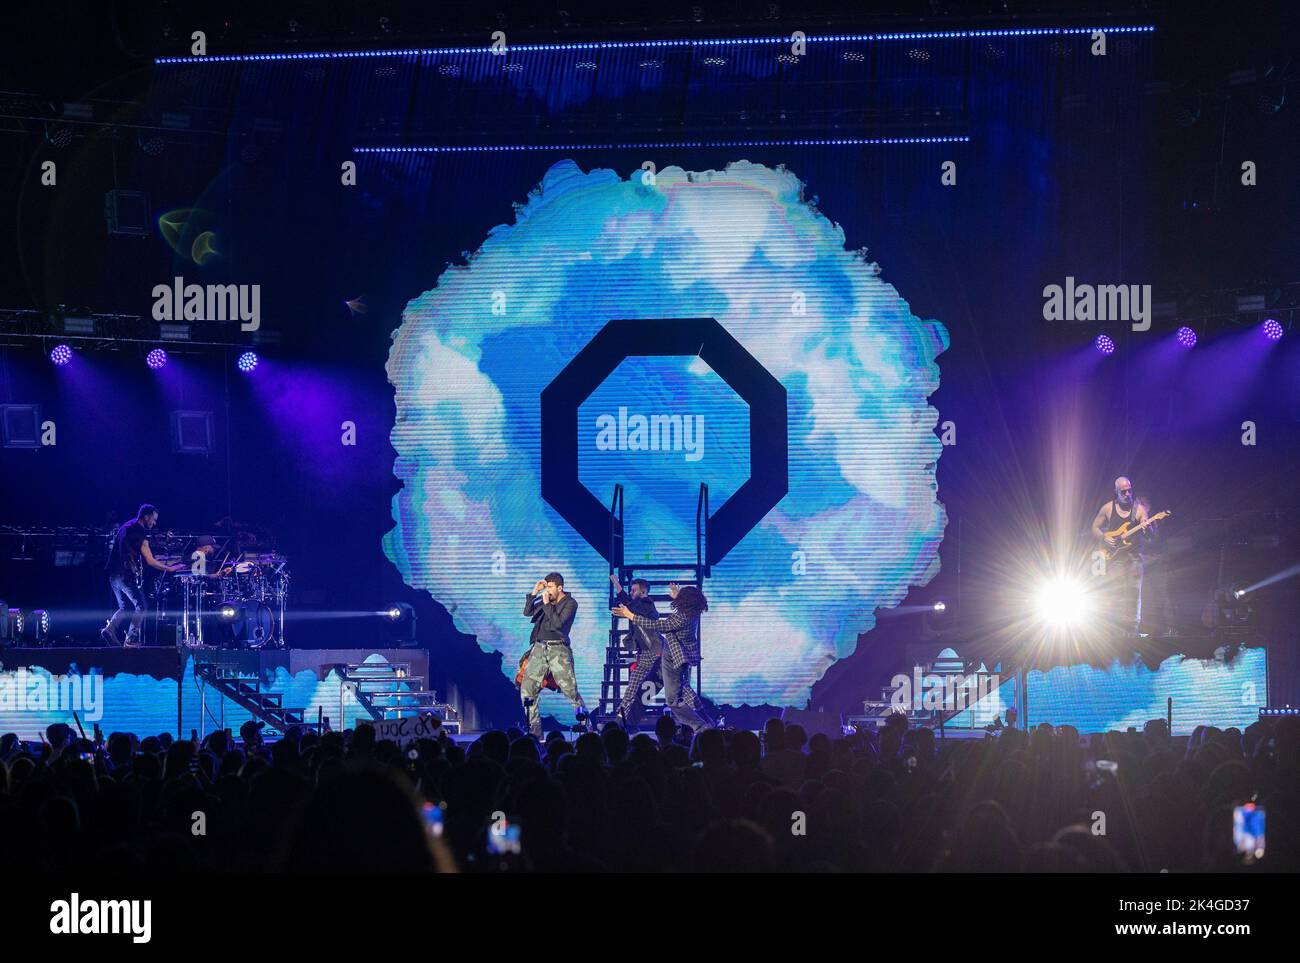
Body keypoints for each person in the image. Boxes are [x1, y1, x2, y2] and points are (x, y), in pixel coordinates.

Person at [614, 582, 713, 733]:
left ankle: (703, 725)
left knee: (676, 697)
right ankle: (624, 722)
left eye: (634, 590)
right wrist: (677, 595)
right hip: (662, 655)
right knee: (643, 690)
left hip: (668, 657)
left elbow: (659, 625)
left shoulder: (675, 614)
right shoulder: (691, 611)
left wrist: (630, 613)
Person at [102, 504, 185, 646]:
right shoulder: (140, 534)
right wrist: (170, 568)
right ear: (146, 517)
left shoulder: (125, 527)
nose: (154, 523)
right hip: (125, 575)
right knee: (141, 606)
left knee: (125, 607)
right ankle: (131, 639)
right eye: (153, 519)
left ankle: (109, 629)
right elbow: (150, 561)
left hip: (113, 574)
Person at [518, 572, 588, 739]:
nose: (547, 590)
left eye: (550, 587)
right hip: (539, 648)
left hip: (559, 650)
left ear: (560, 587)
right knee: (527, 690)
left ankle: (586, 726)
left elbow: (558, 624)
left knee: (570, 691)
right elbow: (527, 612)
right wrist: (534, 592)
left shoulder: (570, 603)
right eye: (546, 587)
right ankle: (535, 731)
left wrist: (547, 604)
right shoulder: (545, 600)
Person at [1090, 477, 1157, 636]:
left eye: (1129, 490)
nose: (1127, 494)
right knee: (1116, 594)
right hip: (1114, 558)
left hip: (1134, 558)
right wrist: (1104, 537)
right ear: (1116, 491)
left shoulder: (1139, 510)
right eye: (1123, 491)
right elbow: (1094, 527)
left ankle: (1132, 632)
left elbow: (1150, 535)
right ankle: (1115, 632)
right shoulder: (1108, 508)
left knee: (1134, 594)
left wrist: (1148, 528)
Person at [609, 574, 663, 730]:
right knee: (634, 689)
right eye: (631, 590)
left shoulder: (647, 605)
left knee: (674, 690)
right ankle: (622, 721)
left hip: (656, 653)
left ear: (643, 592)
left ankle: (623, 721)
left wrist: (618, 587)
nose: (631, 593)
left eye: (634, 590)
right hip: (646, 654)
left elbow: (630, 605)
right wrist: (617, 584)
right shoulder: (637, 606)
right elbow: (628, 603)